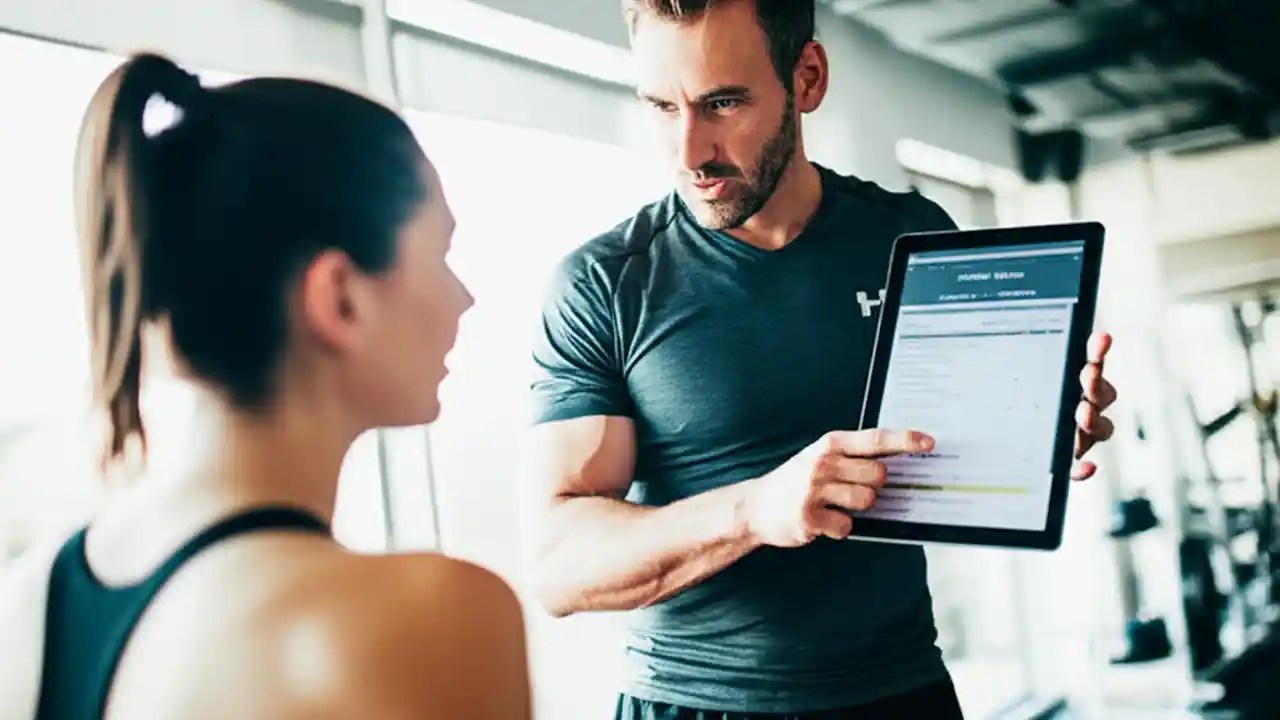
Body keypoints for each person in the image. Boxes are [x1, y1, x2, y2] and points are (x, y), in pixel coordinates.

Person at [524, 1, 1118, 718]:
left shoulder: (911, 234)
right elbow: (560, 567)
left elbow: (957, 455)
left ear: (806, 79)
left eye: (722, 103)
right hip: (694, 703)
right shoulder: (606, 284)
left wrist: (1033, 432)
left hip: (903, 692)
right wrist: (754, 509)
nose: (689, 151)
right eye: (660, 106)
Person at [0, 53, 531, 720]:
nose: (465, 298)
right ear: (339, 297)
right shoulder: (430, 616)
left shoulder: (26, 609)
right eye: (441, 254)